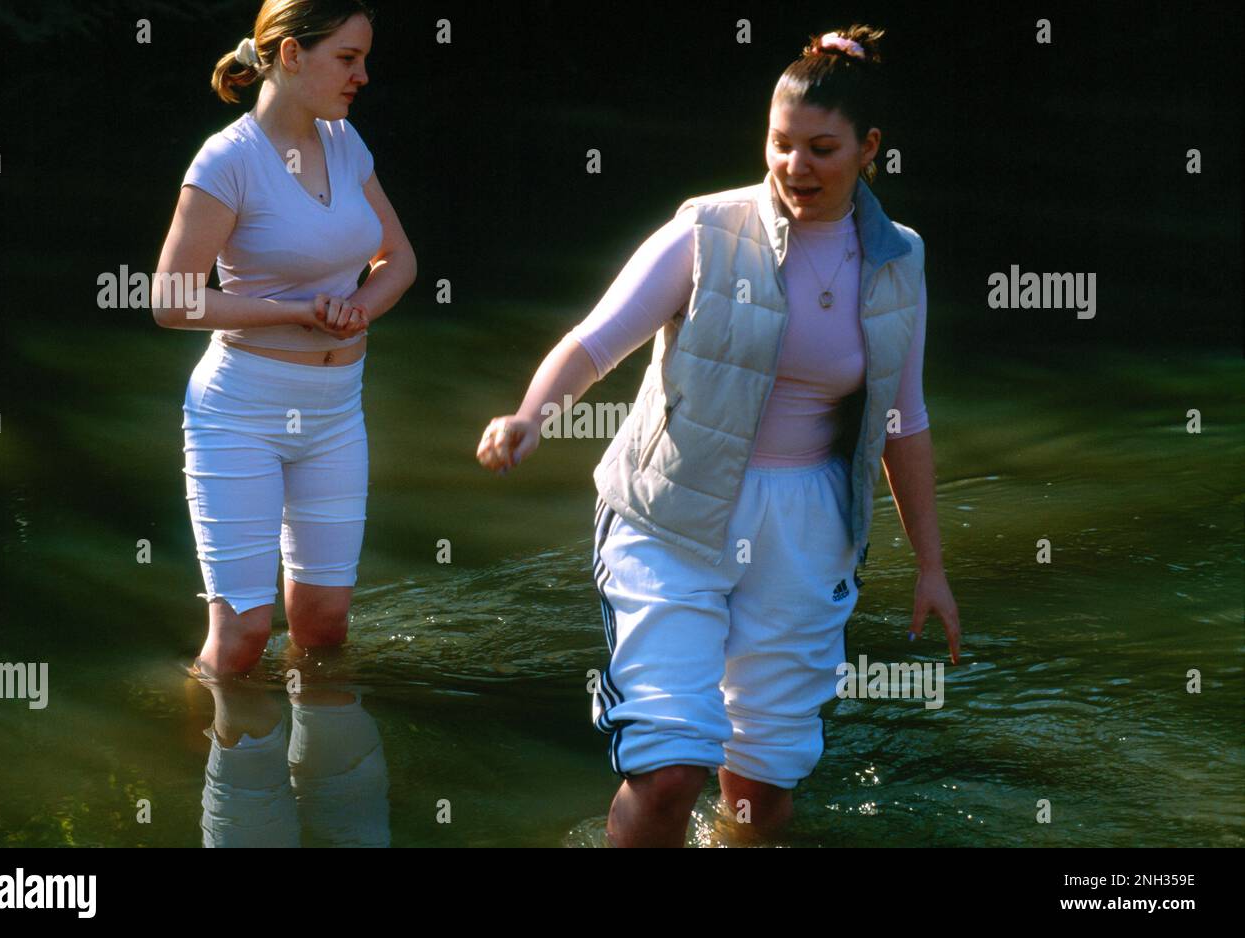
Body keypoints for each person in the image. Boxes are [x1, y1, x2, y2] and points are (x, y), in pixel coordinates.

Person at [476, 25, 960, 847]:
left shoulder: (898, 259)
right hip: (671, 513)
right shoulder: (707, 230)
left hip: (806, 528)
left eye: (821, 149)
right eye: (780, 144)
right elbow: (596, 342)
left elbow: (901, 422)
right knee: (668, 771)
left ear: (870, 149)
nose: (794, 167)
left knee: (758, 795)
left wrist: (931, 566)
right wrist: (530, 414)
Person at [153, 0, 416, 677]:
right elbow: (169, 300)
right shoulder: (227, 160)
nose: (360, 76)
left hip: (335, 411)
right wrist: (294, 312)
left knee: (324, 628)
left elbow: (400, 260)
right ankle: (211, 756)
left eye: (364, 60)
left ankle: (322, 776)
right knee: (242, 636)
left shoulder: (345, 144)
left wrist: (358, 308)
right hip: (241, 412)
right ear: (293, 56)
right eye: (347, 59)